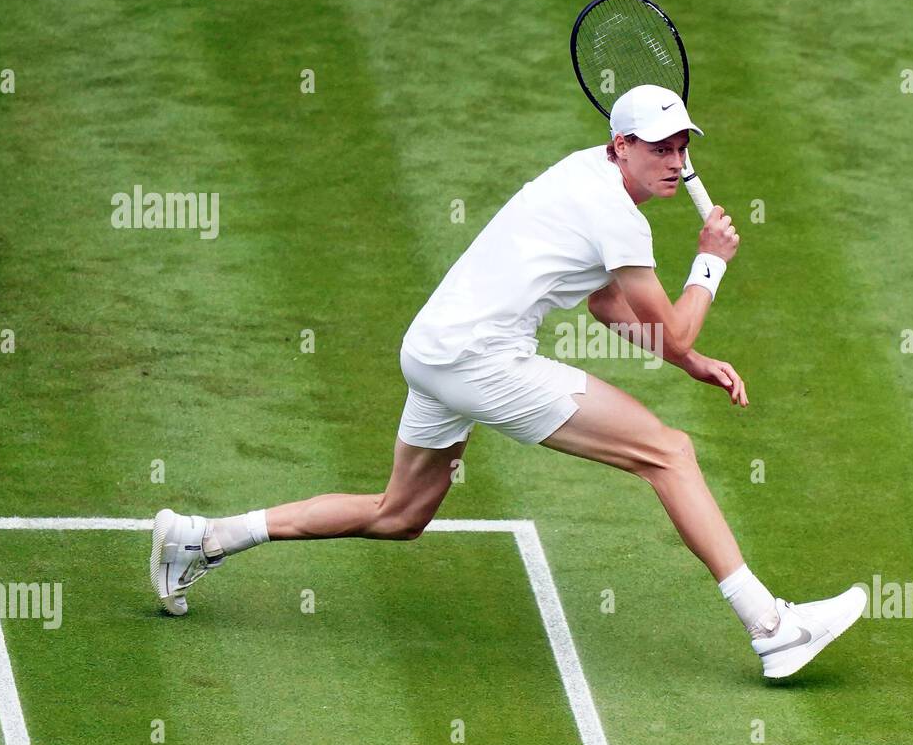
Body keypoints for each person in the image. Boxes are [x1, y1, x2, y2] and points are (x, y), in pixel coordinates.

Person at [151, 84, 865, 678]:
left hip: (432, 348)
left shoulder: (585, 174)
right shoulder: (617, 214)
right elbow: (669, 325)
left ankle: (203, 539)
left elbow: (604, 302)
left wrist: (691, 362)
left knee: (400, 513)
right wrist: (710, 262)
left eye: (683, 146)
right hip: (480, 358)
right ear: (621, 146)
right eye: (659, 147)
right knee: (669, 451)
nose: (676, 161)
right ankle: (772, 627)